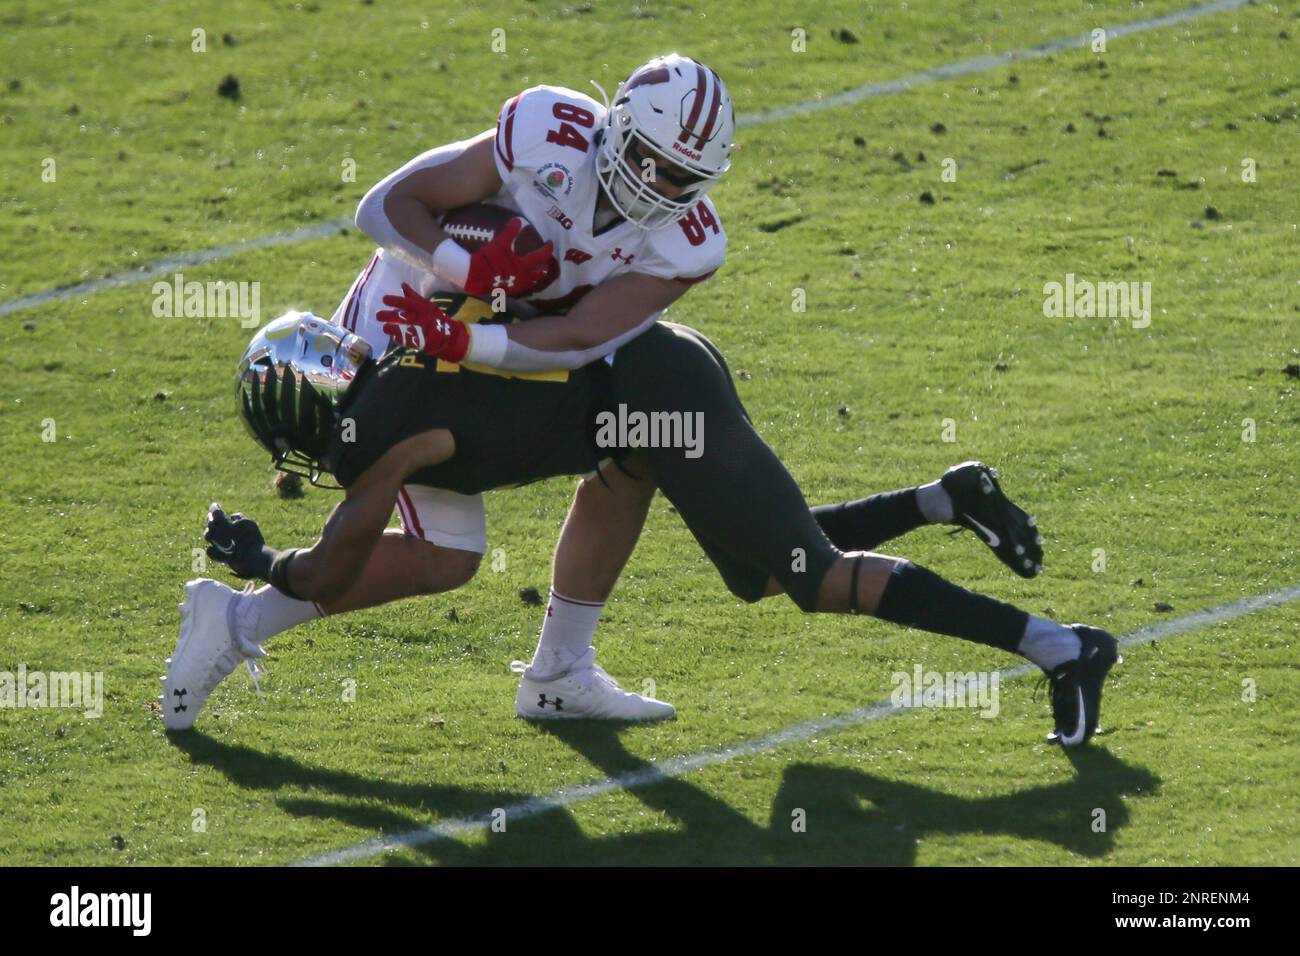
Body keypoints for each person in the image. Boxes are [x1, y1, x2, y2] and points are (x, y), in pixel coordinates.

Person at [162, 308, 1117, 748]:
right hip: (643, 400)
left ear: (298, 417)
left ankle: (1061, 648)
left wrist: (262, 559)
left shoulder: (379, 435)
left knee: (814, 581)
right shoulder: (402, 358)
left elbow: (331, 572)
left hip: (659, 400)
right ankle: (943, 499)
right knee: (761, 567)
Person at [222, 54, 738, 718]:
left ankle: (560, 670)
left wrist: (471, 338)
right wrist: (467, 265)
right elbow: (383, 206)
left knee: (616, 446)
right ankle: (236, 621)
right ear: (618, 129)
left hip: (496, 342)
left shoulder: (688, 244)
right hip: (405, 317)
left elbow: (581, 336)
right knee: (447, 552)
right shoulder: (550, 132)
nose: (659, 187)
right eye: (649, 160)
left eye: (683, 177)